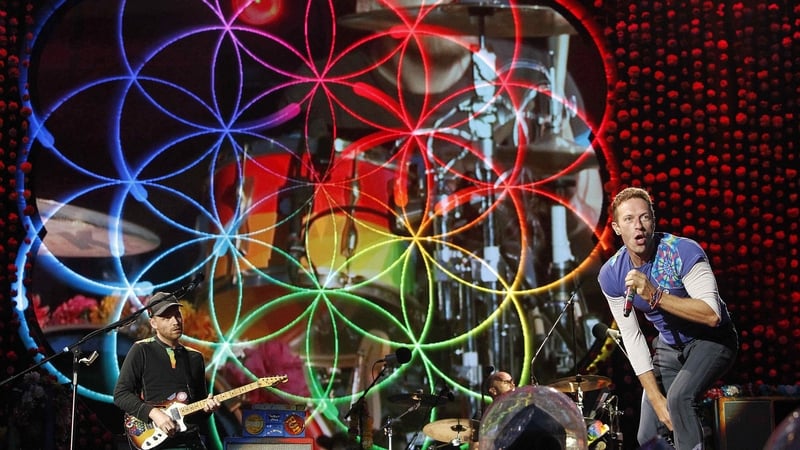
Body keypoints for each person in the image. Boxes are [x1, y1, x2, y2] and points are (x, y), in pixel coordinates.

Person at [597, 187, 738, 450]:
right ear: (617, 228)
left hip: (711, 340)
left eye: (644, 217)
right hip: (669, 345)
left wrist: (654, 295)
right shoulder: (611, 274)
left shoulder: (682, 251)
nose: (638, 226)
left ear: (653, 219)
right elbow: (632, 335)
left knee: (680, 398)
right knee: (648, 435)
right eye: (629, 220)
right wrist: (654, 397)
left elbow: (711, 315)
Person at [114, 292, 221, 449]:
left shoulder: (195, 357)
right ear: (153, 323)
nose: (175, 321)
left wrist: (207, 409)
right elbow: (121, 394)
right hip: (157, 441)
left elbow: (197, 411)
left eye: (177, 315)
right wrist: (154, 414)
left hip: (189, 441)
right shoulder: (141, 350)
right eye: (166, 317)